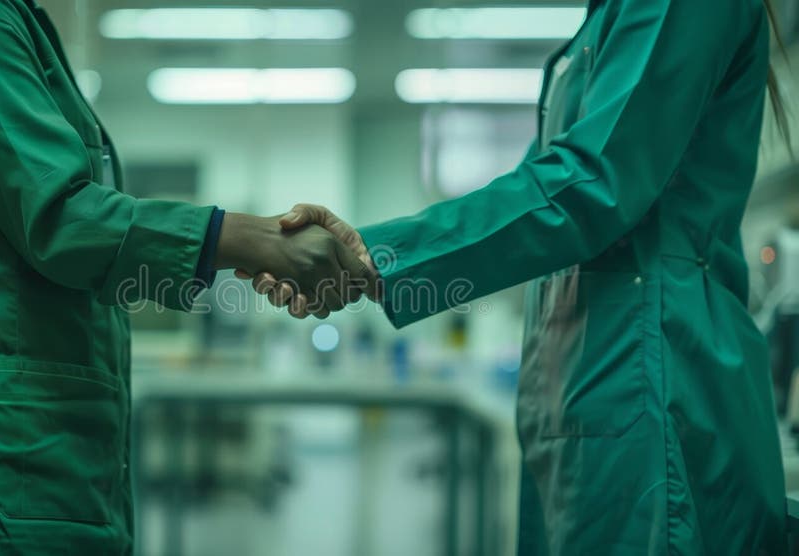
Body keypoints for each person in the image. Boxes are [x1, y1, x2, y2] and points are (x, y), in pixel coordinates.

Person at [246, 0, 793, 552]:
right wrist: (367, 256)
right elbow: (540, 186)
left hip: (655, 379)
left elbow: (589, 183)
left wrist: (371, 255)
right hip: (591, 381)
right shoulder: (606, 18)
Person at [0, 0, 372, 554]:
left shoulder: (16, 20)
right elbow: (59, 217)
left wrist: (269, 245)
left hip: (34, 438)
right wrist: (253, 238)